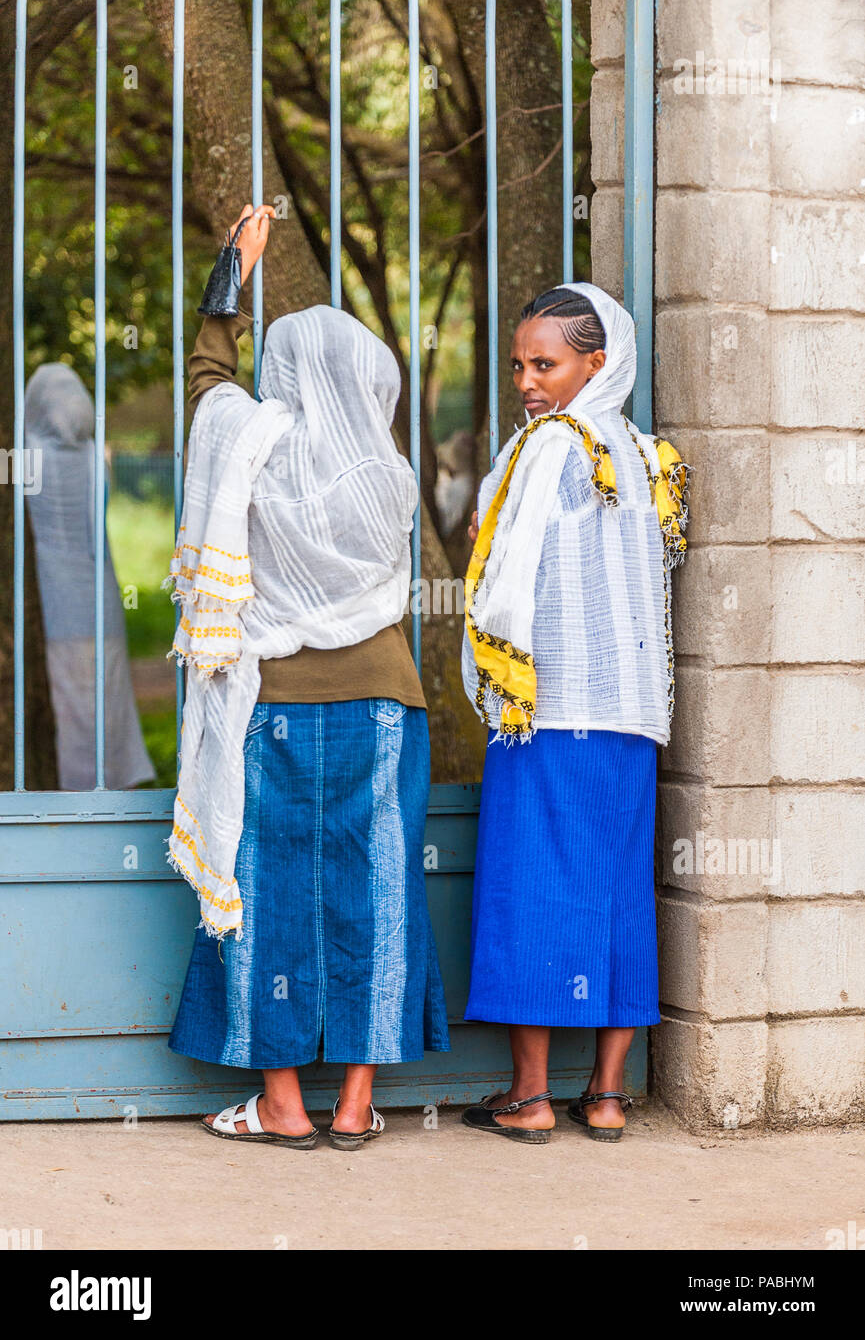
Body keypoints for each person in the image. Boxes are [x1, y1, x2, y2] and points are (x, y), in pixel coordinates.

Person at [164, 205, 449, 1150]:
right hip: (383, 707)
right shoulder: (389, 476)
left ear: (282, 378)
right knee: (378, 887)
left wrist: (234, 273)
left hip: (274, 705)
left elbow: (208, 386)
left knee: (264, 885)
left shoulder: (249, 443)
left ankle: (282, 1104)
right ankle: (359, 1104)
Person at [459, 282, 689, 1144]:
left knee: (531, 887)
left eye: (544, 363)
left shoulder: (546, 446)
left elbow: (501, 575)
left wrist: (495, 680)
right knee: (617, 890)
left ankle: (527, 1098)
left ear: (597, 363)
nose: (526, 380)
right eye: (519, 364)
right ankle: (605, 1095)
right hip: (629, 715)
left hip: (547, 708)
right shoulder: (645, 454)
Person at [23, 363, 155, 791]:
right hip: (102, 604)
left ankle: (75, 802)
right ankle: (113, 790)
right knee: (107, 703)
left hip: (58, 605)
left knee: (71, 708)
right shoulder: (94, 458)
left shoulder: (26, 456)